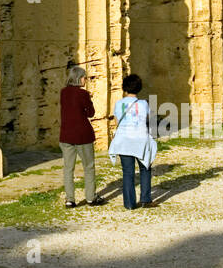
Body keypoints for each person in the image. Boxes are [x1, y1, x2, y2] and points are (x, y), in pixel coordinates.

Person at [107, 74, 157, 210]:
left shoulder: (118, 104)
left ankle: (129, 204)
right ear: (139, 88)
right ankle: (145, 200)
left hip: (124, 140)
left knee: (128, 172)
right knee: (145, 168)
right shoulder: (144, 104)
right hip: (140, 140)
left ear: (125, 88)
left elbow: (117, 122)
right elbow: (147, 119)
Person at [59, 62, 102, 208]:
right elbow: (90, 113)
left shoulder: (63, 92)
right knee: (88, 166)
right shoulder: (83, 94)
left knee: (68, 168)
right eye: (84, 78)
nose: (85, 80)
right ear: (79, 78)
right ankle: (91, 197)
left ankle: (70, 199)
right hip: (82, 135)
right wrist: (88, 100)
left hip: (66, 135)